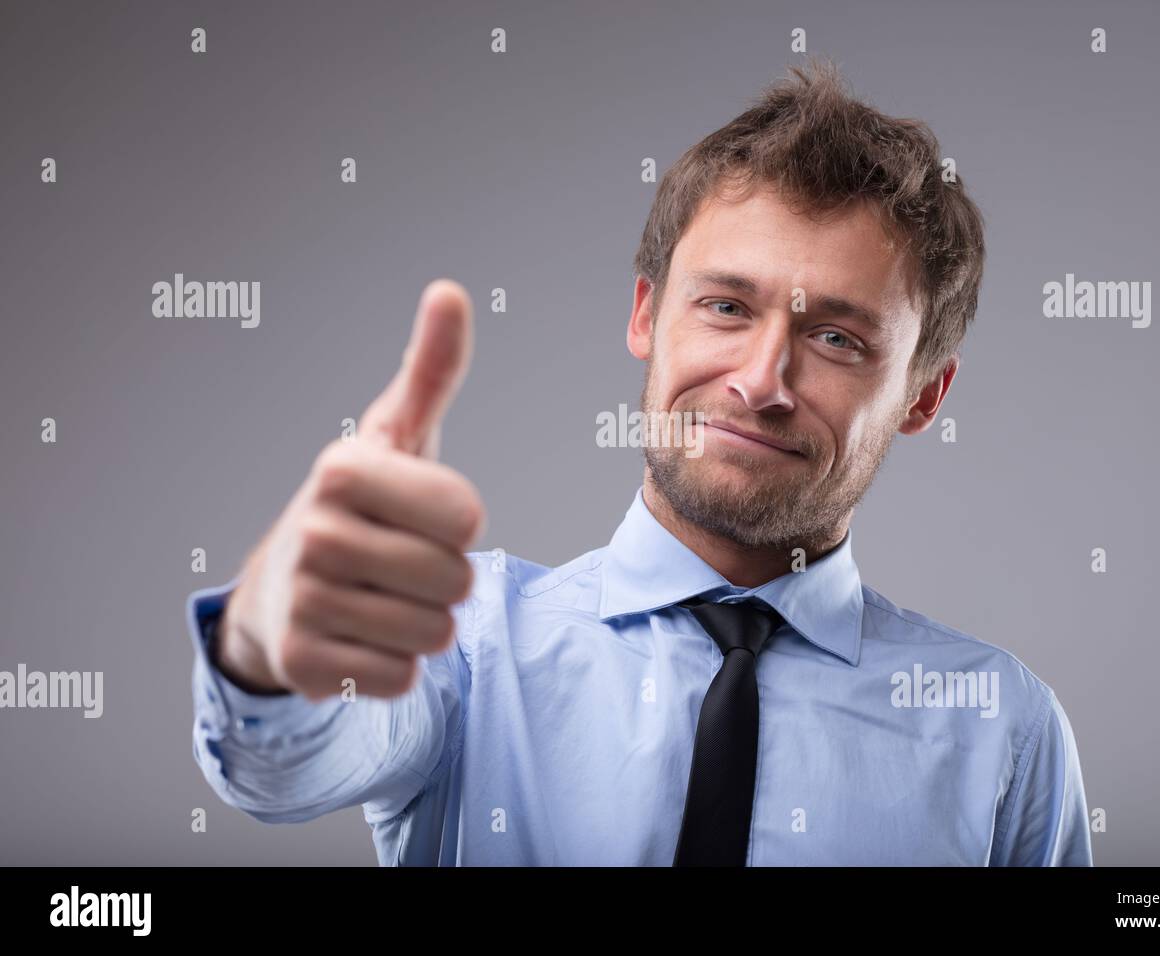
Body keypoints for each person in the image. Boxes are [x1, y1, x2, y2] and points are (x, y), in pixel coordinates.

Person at [187, 58, 1092, 866]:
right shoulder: (460, 644)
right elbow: (282, 770)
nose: (760, 382)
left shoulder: (1004, 731)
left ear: (924, 395)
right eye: (727, 308)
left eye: (836, 338)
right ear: (646, 316)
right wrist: (267, 648)